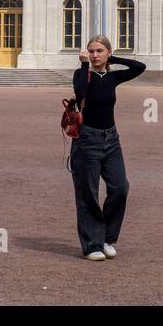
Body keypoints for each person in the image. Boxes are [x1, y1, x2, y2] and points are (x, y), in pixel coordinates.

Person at [69, 35, 145, 261]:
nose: (94, 55)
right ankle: (91, 244)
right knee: (88, 194)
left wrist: (114, 57)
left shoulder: (112, 78)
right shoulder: (83, 74)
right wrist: (84, 65)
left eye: (99, 51)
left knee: (120, 188)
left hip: (111, 139)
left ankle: (107, 238)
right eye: (91, 51)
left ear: (107, 53)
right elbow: (81, 91)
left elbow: (139, 67)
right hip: (86, 140)